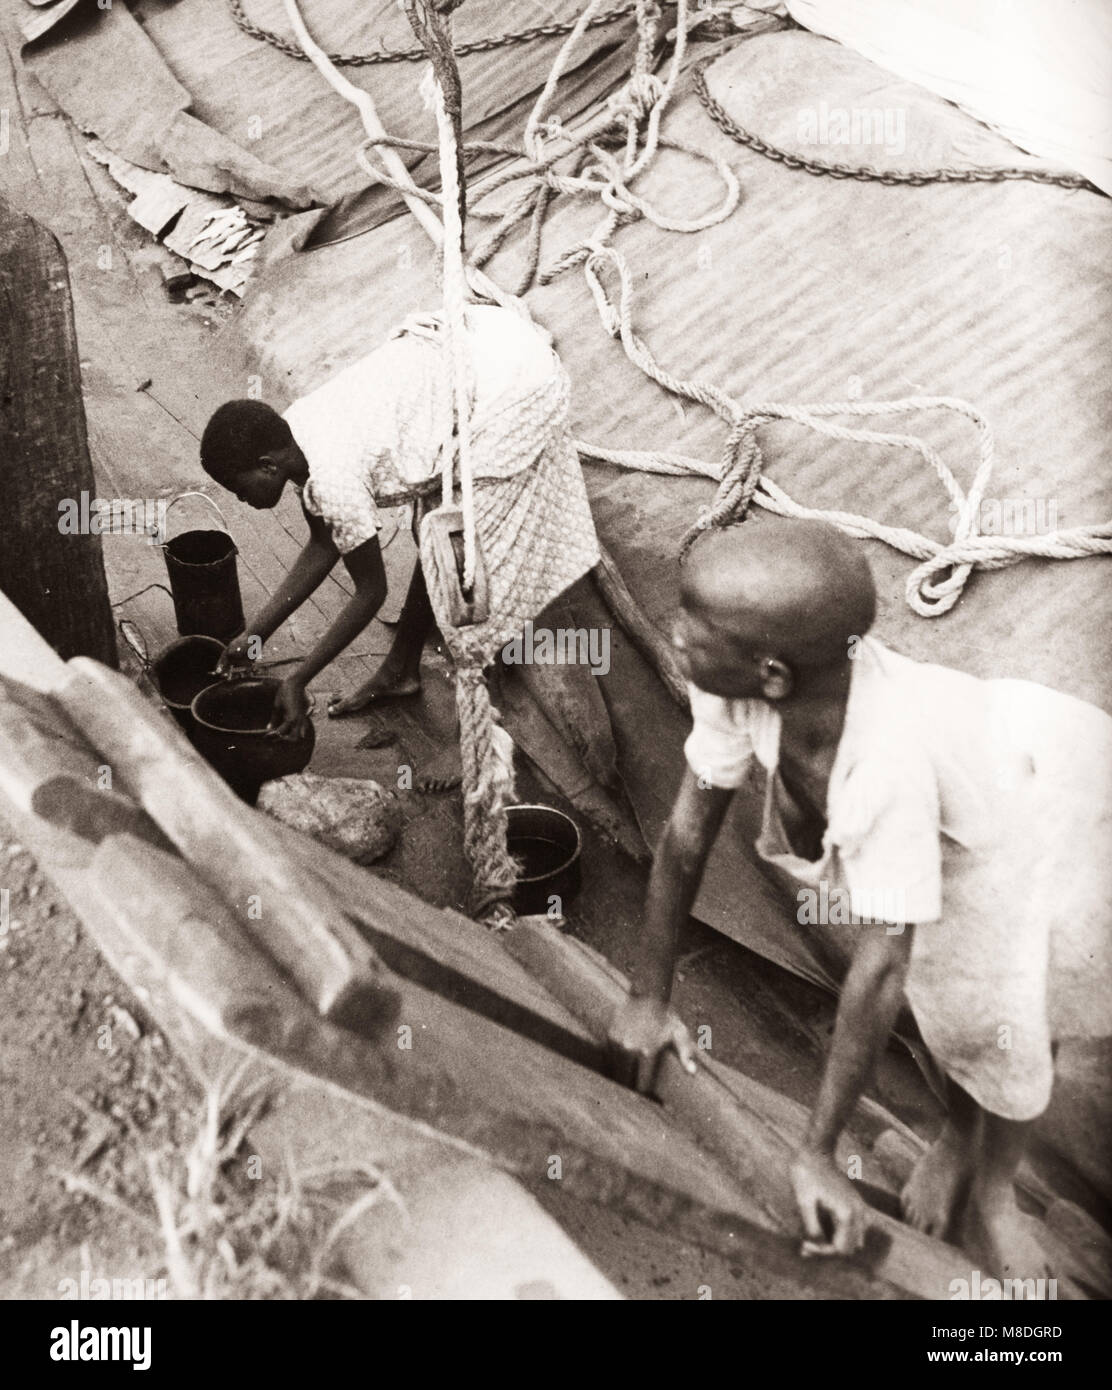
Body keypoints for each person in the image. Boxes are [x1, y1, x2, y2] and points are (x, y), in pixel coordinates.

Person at [607, 517, 1112, 1278]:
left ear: (773, 674)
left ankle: (995, 1190)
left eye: (694, 625)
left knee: (999, 1010)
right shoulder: (736, 688)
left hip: (1047, 805)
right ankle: (957, 1136)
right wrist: (648, 999)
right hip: (989, 754)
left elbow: (880, 971)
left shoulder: (884, 767)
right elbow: (684, 836)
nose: (674, 634)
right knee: (953, 1009)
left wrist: (817, 1156)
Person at [199, 303, 569, 737]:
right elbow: (324, 544)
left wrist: (298, 681)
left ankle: (481, 725)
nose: (243, 500)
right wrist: (256, 635)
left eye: (240, 489)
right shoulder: (296, 435)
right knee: (435, 529)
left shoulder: (332, 477)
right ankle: (400, 669)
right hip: (477, 346)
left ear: (267, 467)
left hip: (511, 382)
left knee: (461, 554)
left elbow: (371, 592)